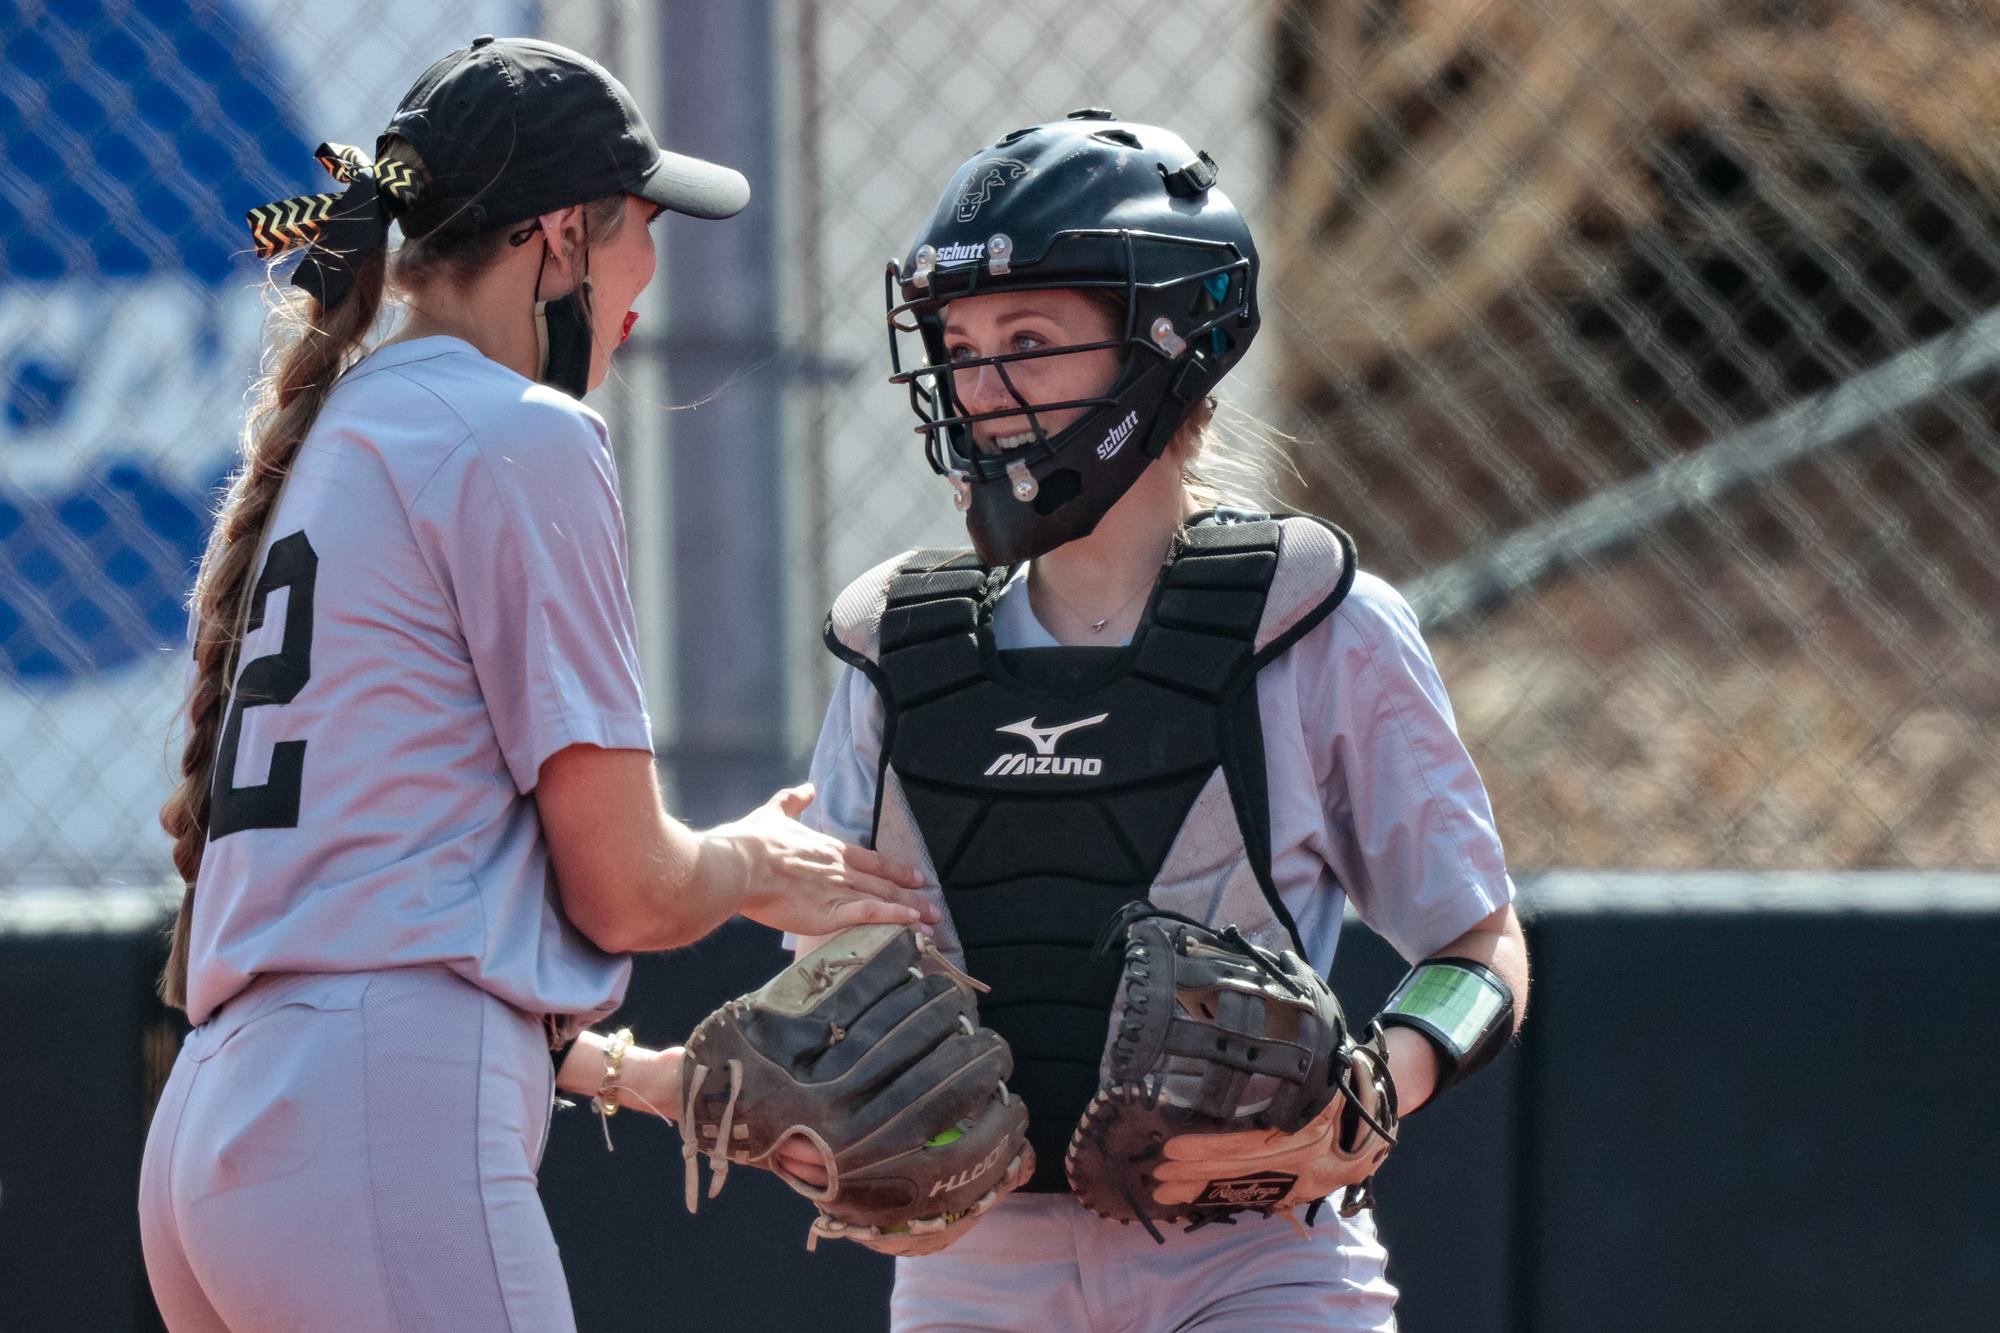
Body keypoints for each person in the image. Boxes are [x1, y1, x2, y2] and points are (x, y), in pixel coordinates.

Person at [137, 37, 931, 1333]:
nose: (650, 276)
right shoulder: (520, 431)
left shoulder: (348, 426)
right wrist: (757, 864)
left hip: (218, 1138)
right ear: (559, 237)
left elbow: (389, 886)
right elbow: (626, 886)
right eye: (638, 230)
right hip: (376, 1110)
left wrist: (642, 1075)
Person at [789, 111, 1530, 1331]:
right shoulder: (893, 645)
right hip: (972, 1254)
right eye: (961, 343)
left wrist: (1368, 1103)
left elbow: (1478, 949)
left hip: (1255, 1250)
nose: (982, 385)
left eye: (1029, 339)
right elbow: (827, 979)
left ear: (1167, 342)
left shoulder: (1309, 618)